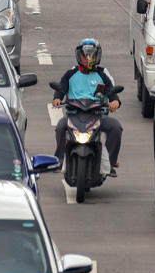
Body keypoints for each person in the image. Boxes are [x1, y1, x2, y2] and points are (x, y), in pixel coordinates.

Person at [51, 38, 122, 176]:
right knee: (60, 127)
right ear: (79, 56)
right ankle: (59, 160)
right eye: (85, 55)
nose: (88, 58)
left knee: (116, 127)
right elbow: (61, 88)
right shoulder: (70, 74)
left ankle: (110, 162)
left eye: (92, 55)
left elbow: (111, 92)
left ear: (97, 56)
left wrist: (115, 102)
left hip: (97, 115)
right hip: (74, 115)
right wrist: (57, 98)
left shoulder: (102, 74)